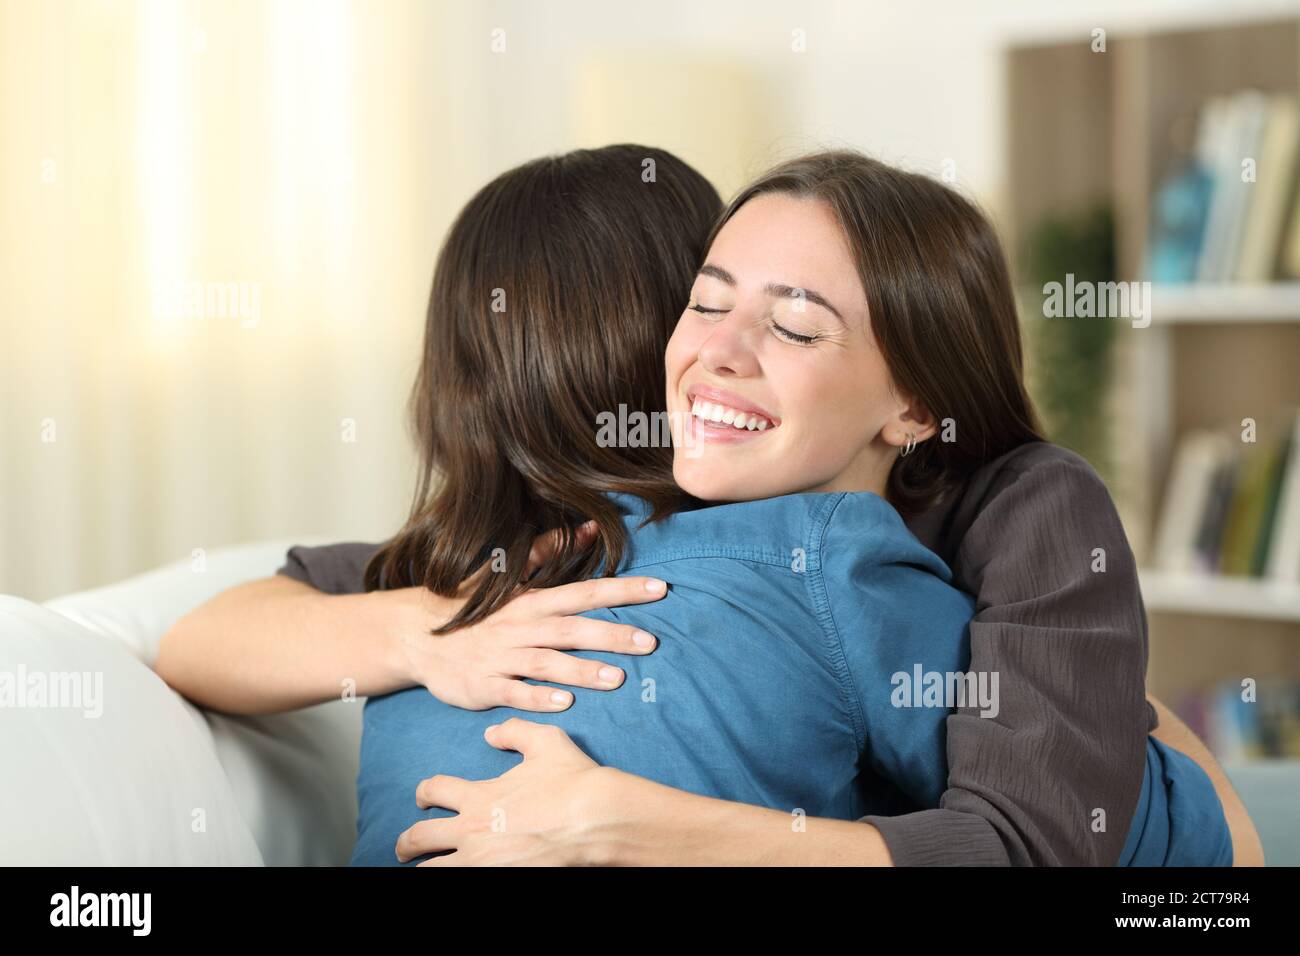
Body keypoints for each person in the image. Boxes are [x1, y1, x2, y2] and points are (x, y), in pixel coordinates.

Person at [157, 147, 1260, 866]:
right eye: (706, 303)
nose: (717, 357)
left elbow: (1053, 833)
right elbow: (203, 638)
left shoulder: (1009, 504)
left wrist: (639, 827)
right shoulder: (537, 559)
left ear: (913, 404)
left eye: (792, 322)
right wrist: (425, 634)